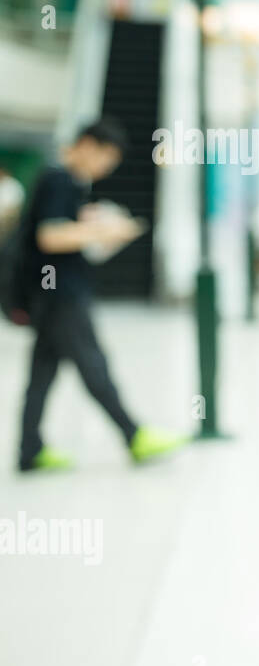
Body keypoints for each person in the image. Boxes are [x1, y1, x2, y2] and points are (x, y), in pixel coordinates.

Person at [16, 118, 189, 473]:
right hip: (61, 293)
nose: (106, 167)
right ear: (86, 145)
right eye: (105, 157)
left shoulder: (69, 182)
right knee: (93, 365)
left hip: (50, 294)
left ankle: (29, 449)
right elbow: (50, 237)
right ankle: (133, 434)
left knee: (43, 373)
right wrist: (101, 230)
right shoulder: (61, 178)